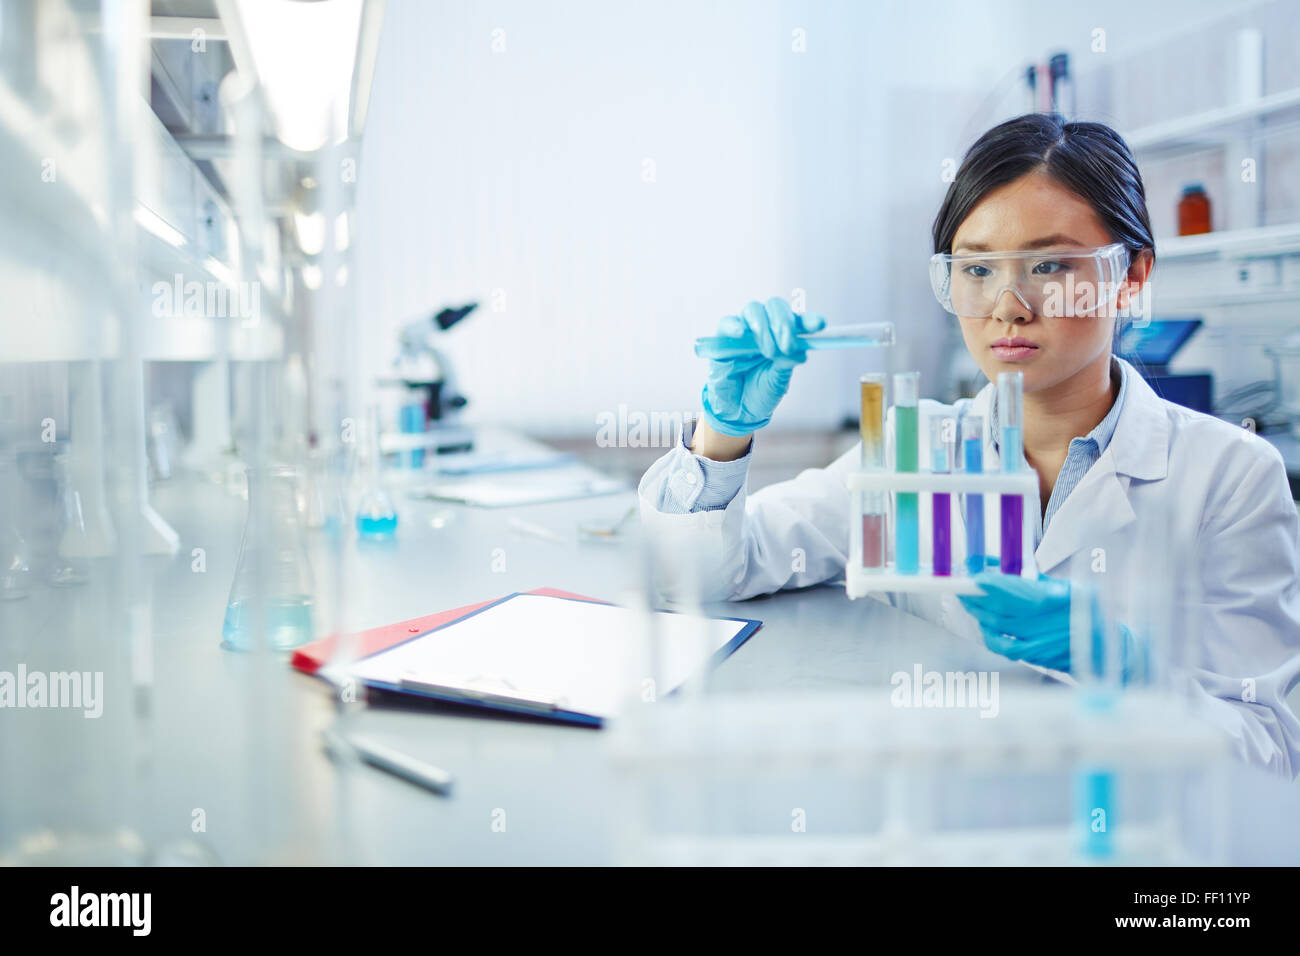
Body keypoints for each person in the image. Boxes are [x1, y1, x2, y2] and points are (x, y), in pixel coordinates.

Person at [637, 113, 1300, 777]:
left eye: (1048, 265)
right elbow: (699, 580)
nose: (1008, 305)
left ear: (1132, 276)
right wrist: (723, 428)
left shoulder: (1230, 476)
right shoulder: (909, 448)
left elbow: (1270, 754)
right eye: (976, 268)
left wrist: (1127, 670)